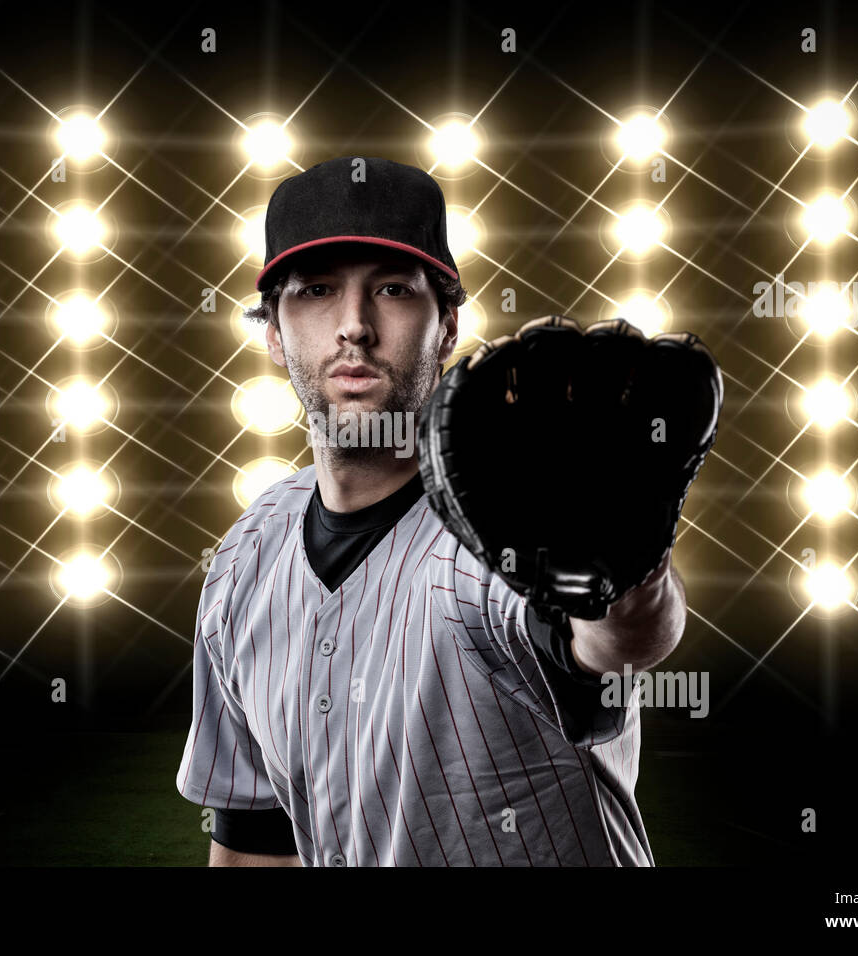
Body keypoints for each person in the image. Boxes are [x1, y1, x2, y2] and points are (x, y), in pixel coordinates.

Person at [176, 156, 685, 866]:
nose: (353, 325)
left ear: (447, 326)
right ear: (272, 332)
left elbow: (619, 640)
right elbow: (255, 844)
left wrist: (630, 572)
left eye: (391, 289)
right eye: (316, 290)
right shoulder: (243, 558)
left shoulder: (513, 519)